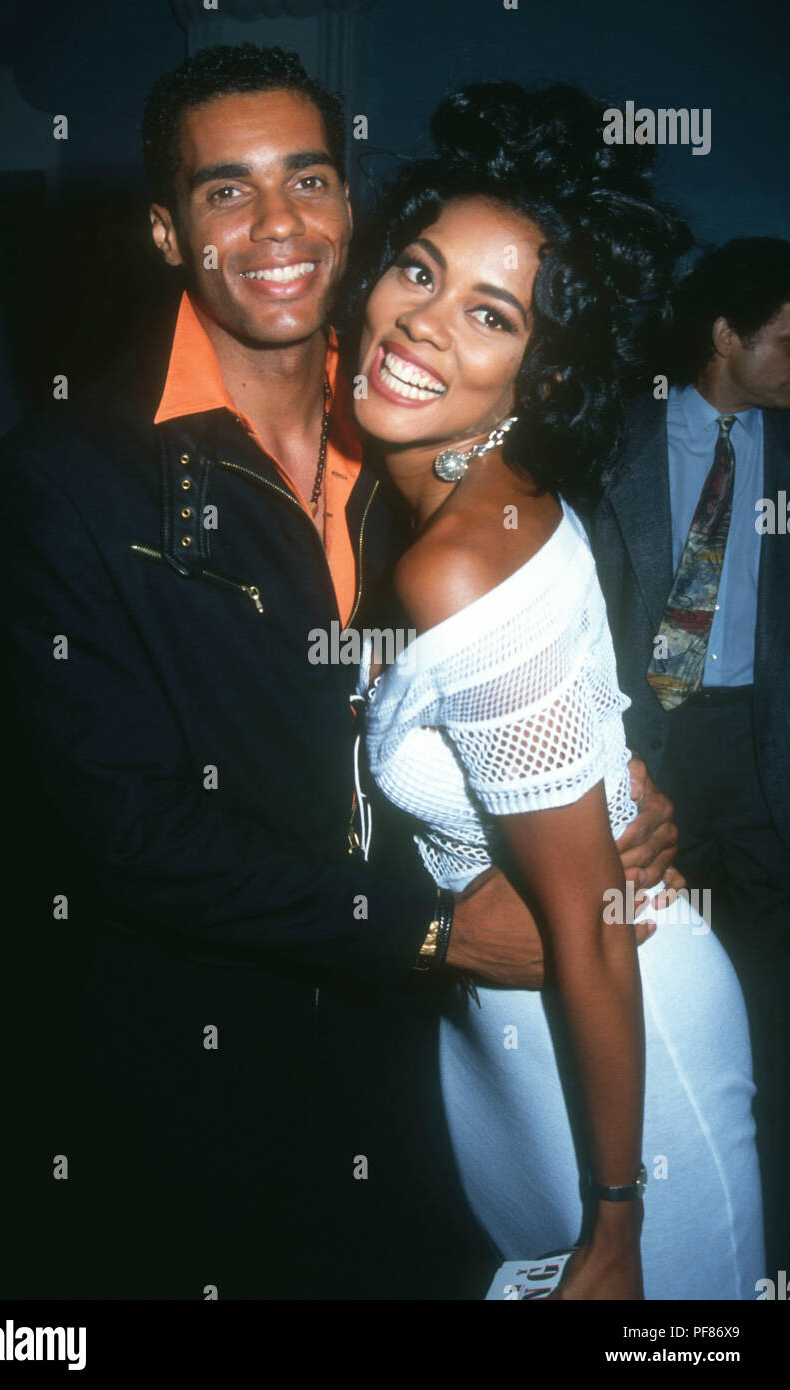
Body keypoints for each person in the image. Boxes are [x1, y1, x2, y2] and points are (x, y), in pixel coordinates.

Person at [0, 47, 678, 1300]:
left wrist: (614, 803)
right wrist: (432, 930)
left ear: (350, 207)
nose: (277, 226)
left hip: (448, 1049)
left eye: (307, 179)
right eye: (223, 191)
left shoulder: (422, 432)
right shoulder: (67, 478)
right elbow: (126, 826)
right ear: (164, 227)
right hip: (216, 1043)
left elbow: (522, 672)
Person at [351, 80, 765, 1299]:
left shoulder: (464, 552)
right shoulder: (452, 501)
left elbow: (586, 921)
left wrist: (620, 1224)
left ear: (539, 375)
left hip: (626, 1055)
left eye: (490, 314)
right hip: (510, 1041)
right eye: (418, 273)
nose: (424, 323)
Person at [588, 238, 790, 1280]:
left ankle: (756, 1177)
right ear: (728, 336)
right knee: (644, 950)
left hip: (760, 740)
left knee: (763, 963)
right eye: (787, 339)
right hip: (647, 735)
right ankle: (640, 1171)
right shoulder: (616, 439)